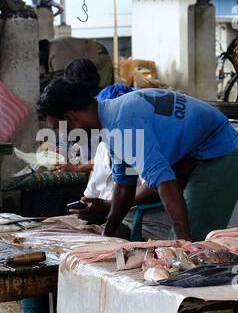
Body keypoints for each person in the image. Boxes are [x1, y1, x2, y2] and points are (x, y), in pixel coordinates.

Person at [37, 77, 238, 242]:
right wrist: (107, 235)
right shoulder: (111, 123)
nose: (64, 134)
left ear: (71, 117)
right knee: (178, 249)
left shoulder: (123, 123)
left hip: (219, 153)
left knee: (186, 247)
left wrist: (184, 241)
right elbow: (124, 187)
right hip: (195, 153)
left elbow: (165, 183)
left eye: (60, 127)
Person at [62, 59, 175, 239]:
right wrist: (88, 207)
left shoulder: (139, 143)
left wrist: (108, 207)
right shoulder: (103, 147)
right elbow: (92, 193)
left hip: (134, 220)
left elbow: (154, 187)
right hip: (109, 219)